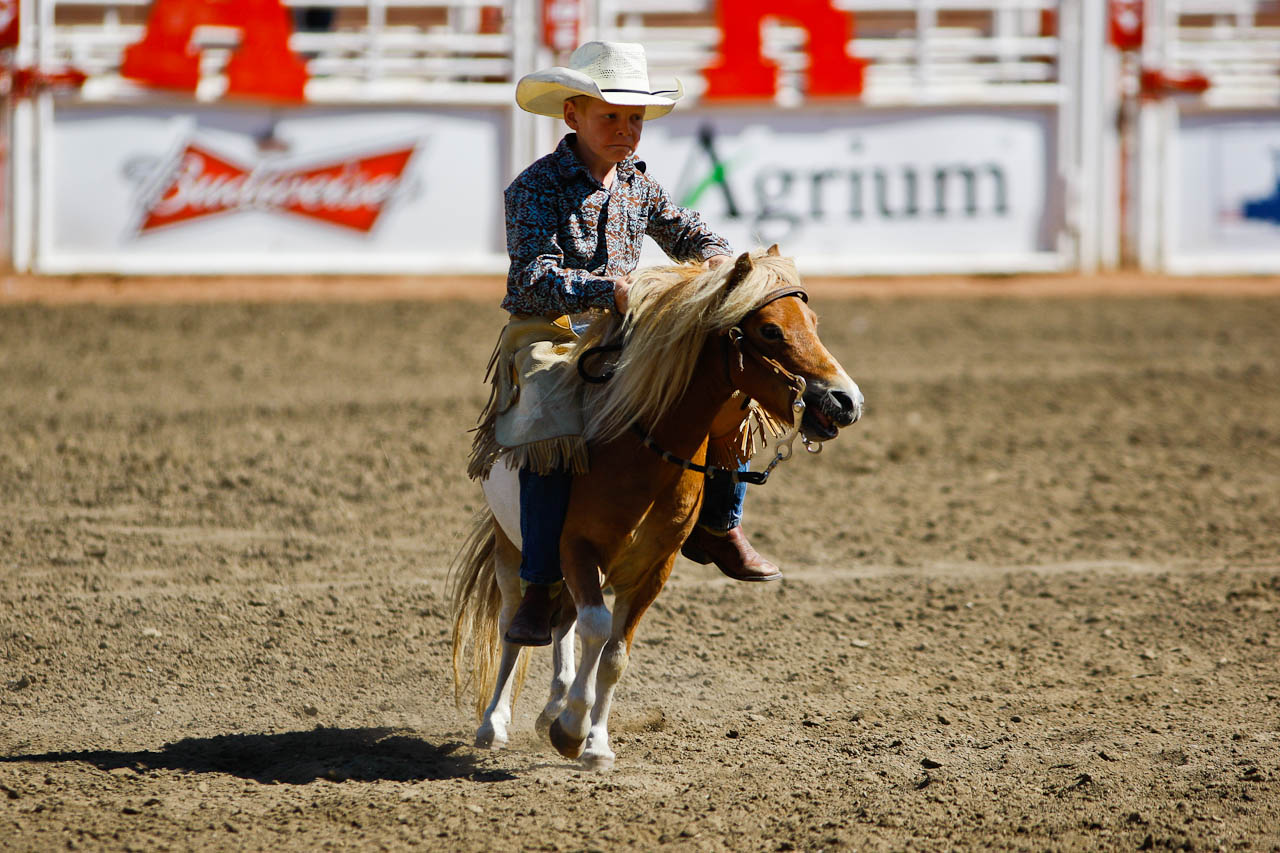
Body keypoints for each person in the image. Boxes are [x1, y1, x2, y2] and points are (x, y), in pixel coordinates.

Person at [483, 41, 781, 648]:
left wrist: (724, 263)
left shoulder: (639, 185)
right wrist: (605, 288)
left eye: (635, 118)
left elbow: (688, 233)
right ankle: (539, 585)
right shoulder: (534, 187)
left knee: (727, 388)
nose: (626, 130)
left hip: (625, 327)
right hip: (550, 332)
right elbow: (529, 280)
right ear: (573, 117)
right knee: (548, 418)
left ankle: (719, 525)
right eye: (610, 116)